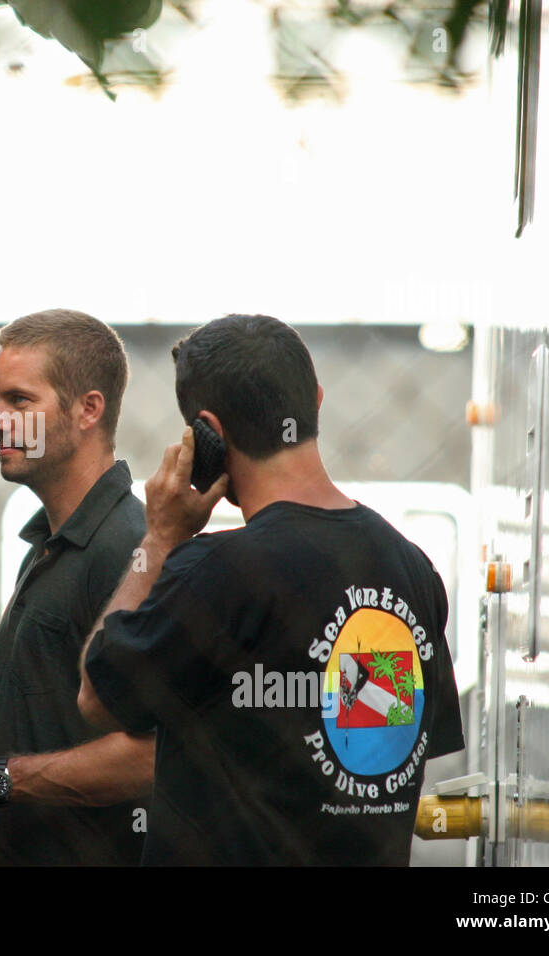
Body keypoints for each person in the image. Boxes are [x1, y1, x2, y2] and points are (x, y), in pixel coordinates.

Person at [78, 313, 465, 865]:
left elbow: (98, 695)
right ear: (317, 400)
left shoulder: (217, 569)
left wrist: (161, 536)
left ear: (207, 432)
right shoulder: (413, 569)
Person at [0, 310, 152, 866]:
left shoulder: (128, 547)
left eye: (19, 401)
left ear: (89, 409)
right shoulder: (50, 540)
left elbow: (151, 755)